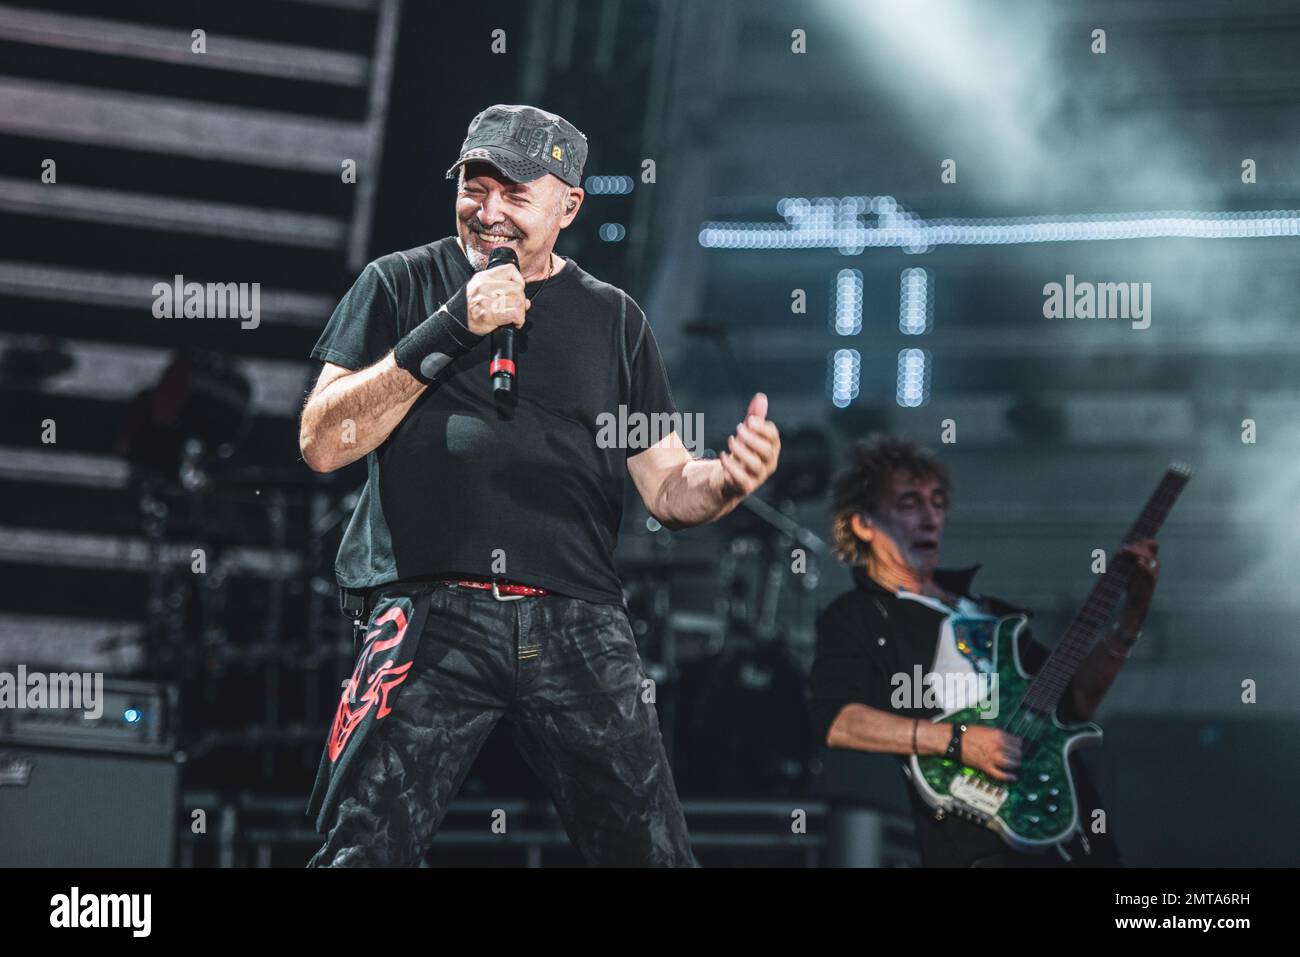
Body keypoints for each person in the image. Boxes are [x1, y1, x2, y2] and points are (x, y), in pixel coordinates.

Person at [298, 104, 781, 866]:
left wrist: (726, 480)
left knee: (649, 852)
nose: (488, 213)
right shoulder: (399, 283)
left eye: (515, 195)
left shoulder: (613, 319)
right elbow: (323, 441)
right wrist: (452, 325)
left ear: (569, 205)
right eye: (475, 187)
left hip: (578, 623)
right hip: (429, 611)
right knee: (362, 849)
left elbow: (667, 489)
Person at [808, 436, 1158, 867]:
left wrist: (1131, 618)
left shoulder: (994, 614)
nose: (930, 517)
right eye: (909, 504)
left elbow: (1074, 704)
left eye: (937, 503)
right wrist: (956, 741)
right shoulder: (858, 615)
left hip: (1070, 830)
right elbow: (839, 721)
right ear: (864, 524)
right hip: (974, 835)